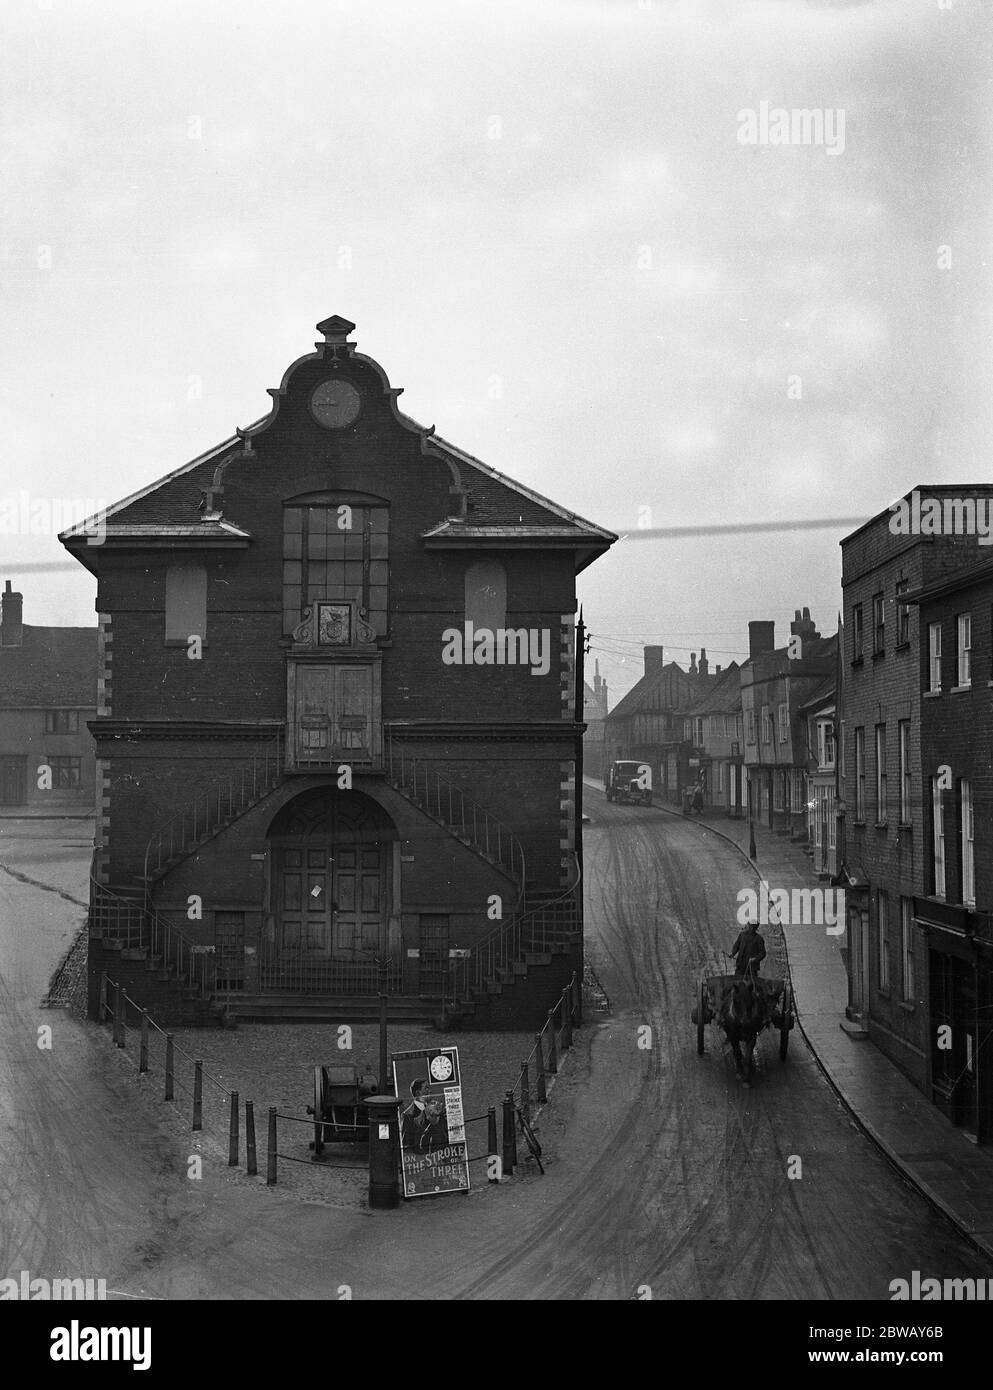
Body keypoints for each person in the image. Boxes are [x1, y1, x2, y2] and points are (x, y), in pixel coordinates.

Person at [728, 915, 766, 980]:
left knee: (752, 985)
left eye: (748, 925)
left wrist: (755, 959)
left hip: (751, 968)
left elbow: (763, 953)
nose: (746, 925)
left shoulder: (759, 939)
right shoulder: (742, 935)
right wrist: (732, 953)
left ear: (751, 928)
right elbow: (736, 946)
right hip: (740, 966)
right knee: (736, 982)